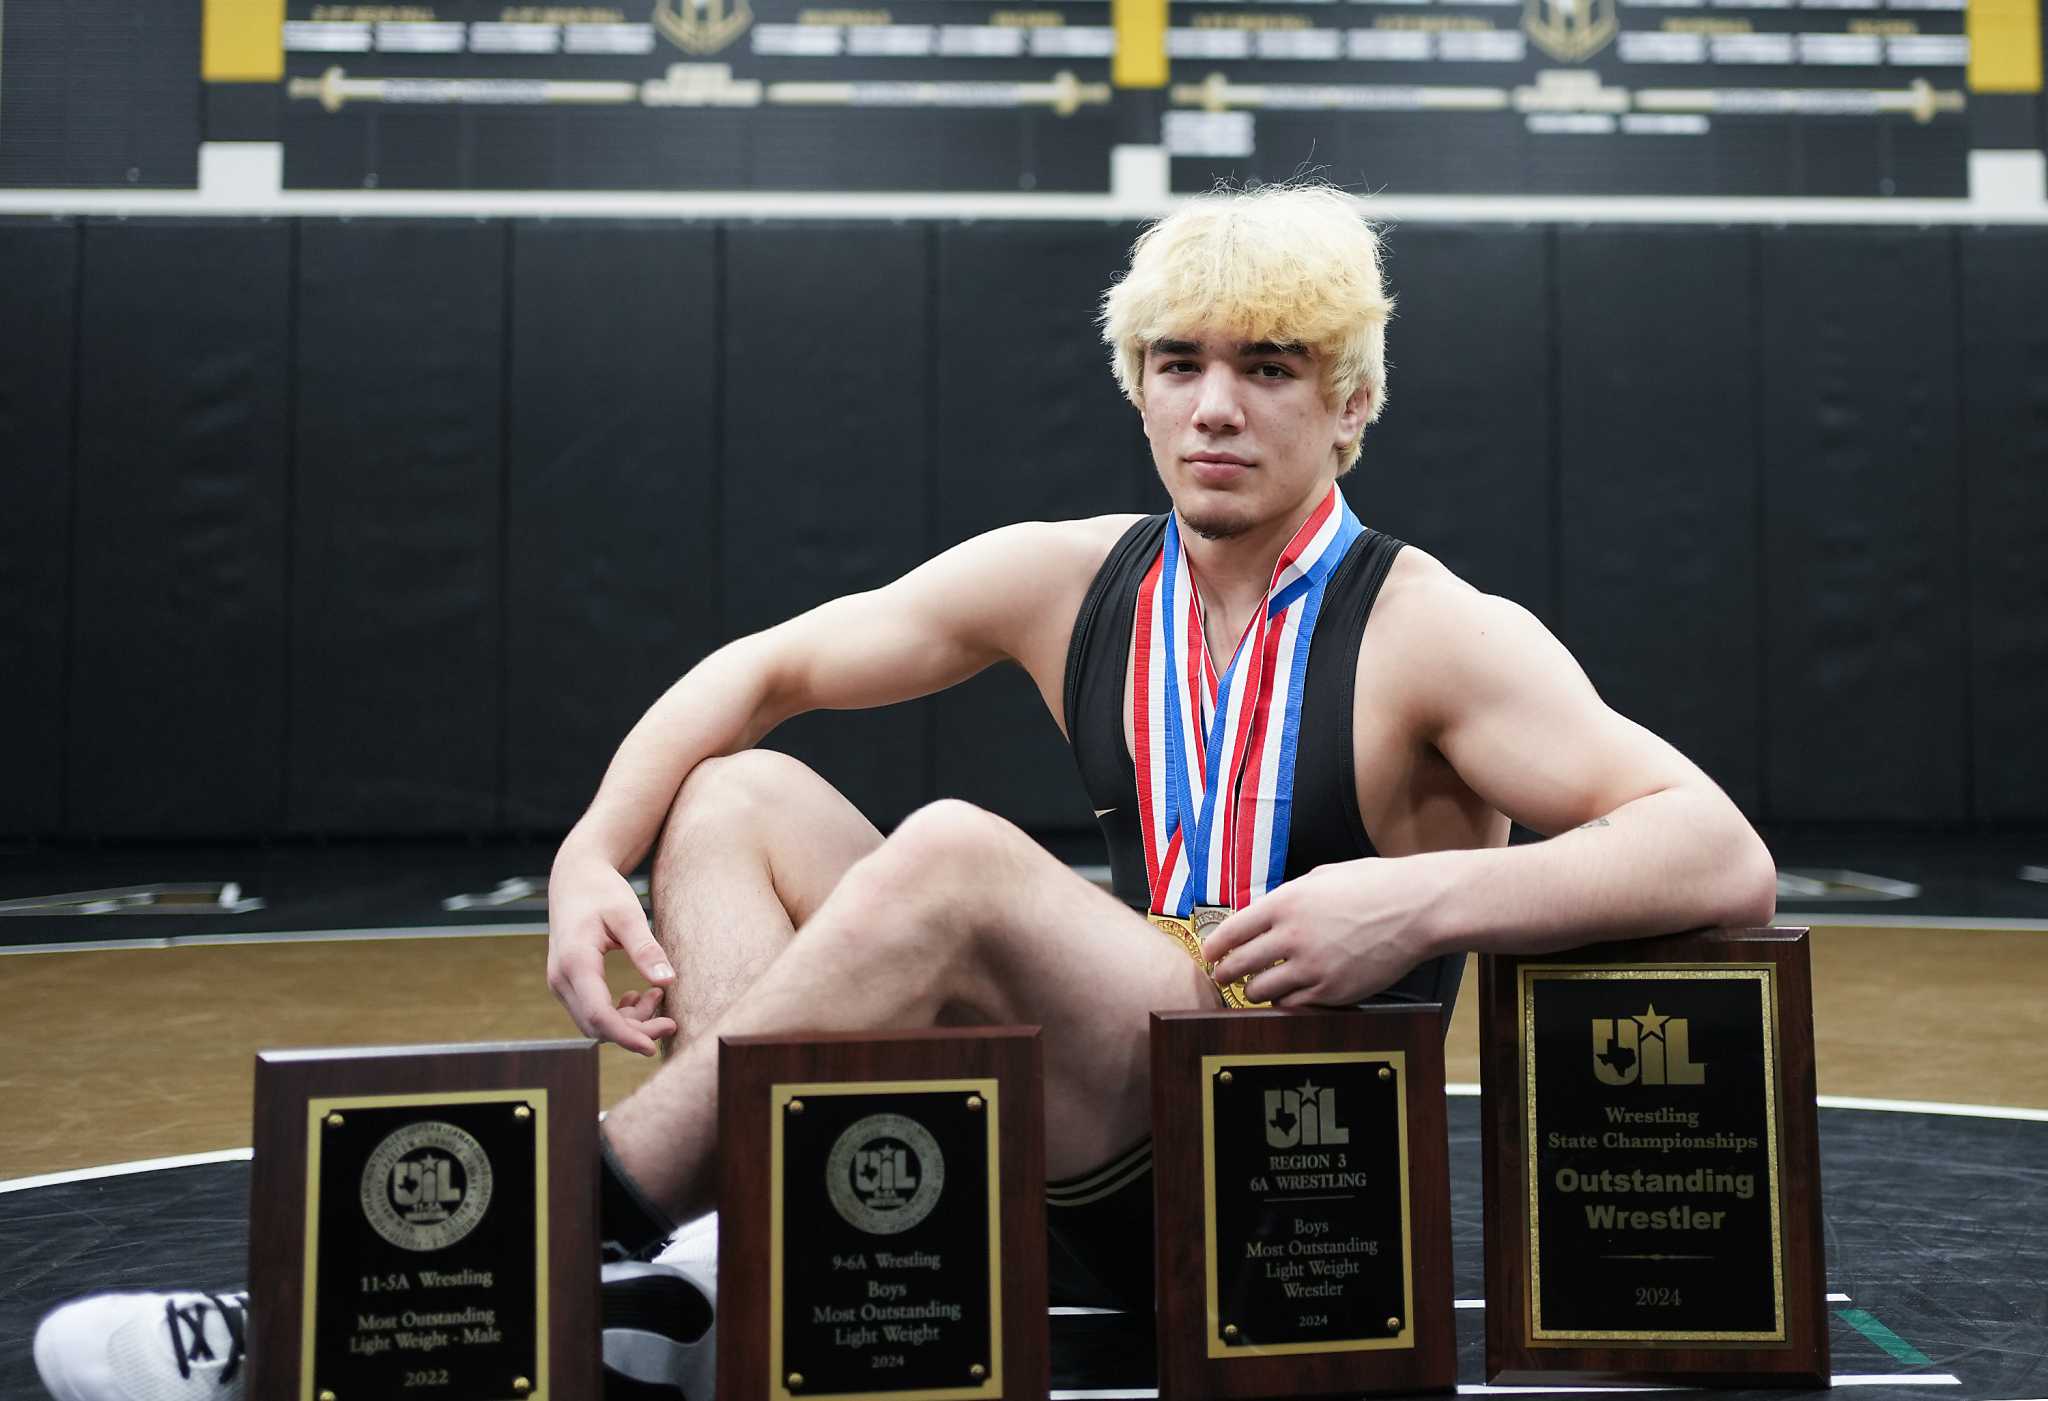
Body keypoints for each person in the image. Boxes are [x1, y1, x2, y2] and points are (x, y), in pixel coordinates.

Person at [32, 181, 1776, 1400]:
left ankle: (449, 1267)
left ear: (1354, 401)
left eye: (1271, 369)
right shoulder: (1076, 572)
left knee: (953, 849)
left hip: (1286, 1175)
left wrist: (1416, 898)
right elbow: (765, 668)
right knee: (737, 794)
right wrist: (589, 850)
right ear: (1138, 389)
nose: (1219, 408)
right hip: (1112, 1105)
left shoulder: (1440, 630)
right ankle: (715, 1272)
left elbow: (1720, 850)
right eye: (1183, 365)